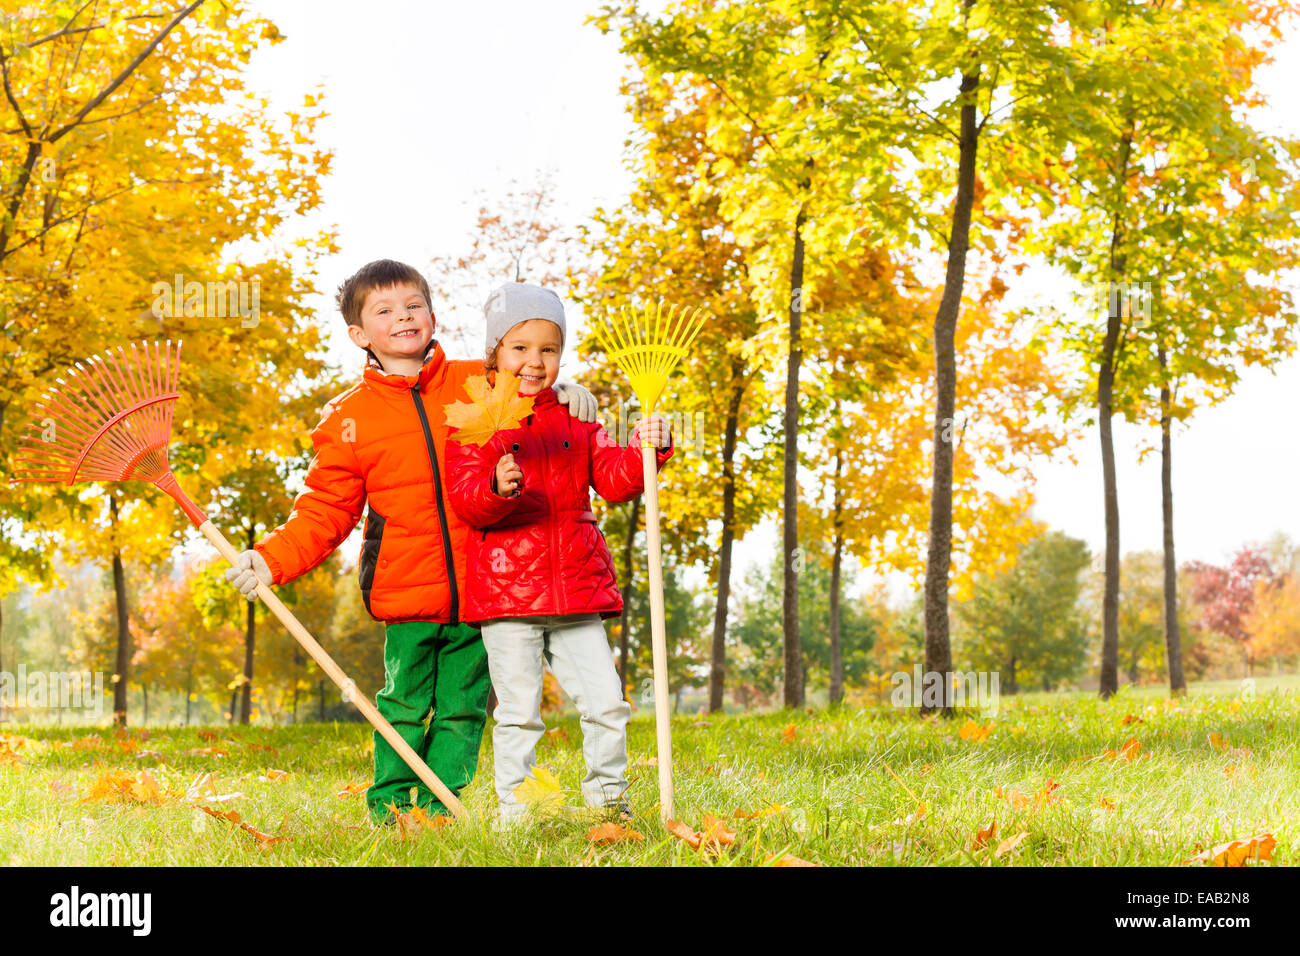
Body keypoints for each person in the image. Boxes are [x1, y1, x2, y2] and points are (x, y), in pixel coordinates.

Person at [223, 260, 598, 824]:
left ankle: (439, 810)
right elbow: (325, 509)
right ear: (359, 335)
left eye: (413, 305)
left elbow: (532, 371)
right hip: (406, 591)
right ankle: (391, 810)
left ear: (431, 313)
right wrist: (270, 559)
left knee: (463, 709)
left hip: (484, 587)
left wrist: (566, 392)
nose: (403, 317)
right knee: (401, 705)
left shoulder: (480, 380)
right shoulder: (350, 419)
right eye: (384, 310)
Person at [445, 282, 672, 821]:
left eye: (549, 349)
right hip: (507, 595)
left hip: (576, 589)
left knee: (608, 705)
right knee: (519, 715)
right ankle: (516, 814)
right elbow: (466, 501)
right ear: (495, 353)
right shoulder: (474, 423)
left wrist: (648, 449)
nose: (534, 361)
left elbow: (613, 480)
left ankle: (608, 804)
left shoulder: (576, 417)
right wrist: (497, 488)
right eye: (520, 347)